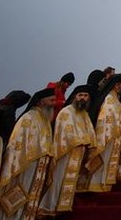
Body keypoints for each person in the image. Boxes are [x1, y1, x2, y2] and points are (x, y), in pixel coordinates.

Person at [0, 88, 55, 220]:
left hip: (38, 167)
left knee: (29, 197)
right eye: (51, 100)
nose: (54, 103)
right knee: (18, 195)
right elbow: (17, 144)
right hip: (24, 166)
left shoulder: (45, 119)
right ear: (42, 102)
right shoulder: (28, 117)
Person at [40, 85, 94, 214]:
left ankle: (64, 205)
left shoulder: (84, 114)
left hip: (79, 152)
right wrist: (84, 141)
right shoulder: (66, 112)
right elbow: (68, 133)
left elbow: (90, 131)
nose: (83, 98)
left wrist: (91, 144)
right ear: (75, 96)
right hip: (66, 152)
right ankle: (50, 207)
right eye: (80, 95)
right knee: (60, 178)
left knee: (71, 180)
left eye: (85, 96)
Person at [83, 74, 121, 192]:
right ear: (116, 85)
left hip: (114, 134)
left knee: (108, 159)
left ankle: (104, 182)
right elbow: (106, 117)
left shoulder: (114, 98)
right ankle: (95, 183)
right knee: (104, 157)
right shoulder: (108, 98)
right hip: (107, 134)